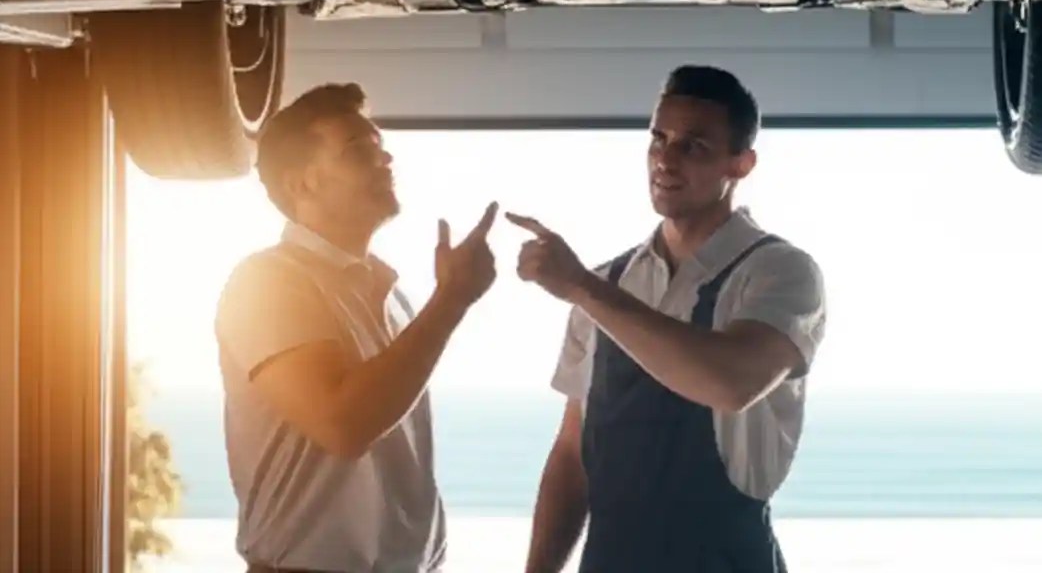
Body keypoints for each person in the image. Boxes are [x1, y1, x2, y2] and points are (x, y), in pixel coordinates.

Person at [511, 65, 827, 573]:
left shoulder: (780, 272)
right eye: (658, 139)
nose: (665, 159)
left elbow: (732, 382)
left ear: (741, 164)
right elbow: (573, 456)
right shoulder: (605, 284)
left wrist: (582, 290)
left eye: (693, 146)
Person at [213, 82, 498, 573]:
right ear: (301, 184)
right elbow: (343, 426)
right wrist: (451, 301)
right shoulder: (266, 281)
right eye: (360, 152)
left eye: (382, 150)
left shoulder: (394, 298)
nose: (385, 162)